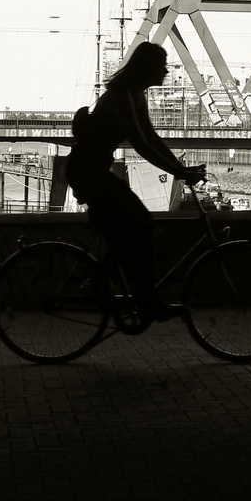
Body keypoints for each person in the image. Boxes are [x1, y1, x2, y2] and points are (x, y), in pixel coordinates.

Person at [66, 41, 205, 322]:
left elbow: (151, 138)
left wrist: (180, 168)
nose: (166, 71)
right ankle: (142, 300)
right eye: (162, 65)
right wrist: (179, 172)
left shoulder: (135, 96)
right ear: (149, 67)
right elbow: (141, 143)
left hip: (91, 170)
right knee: (139, 225)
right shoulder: (122, 96)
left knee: (134, 230)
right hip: (87, 172)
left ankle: (103, 284)